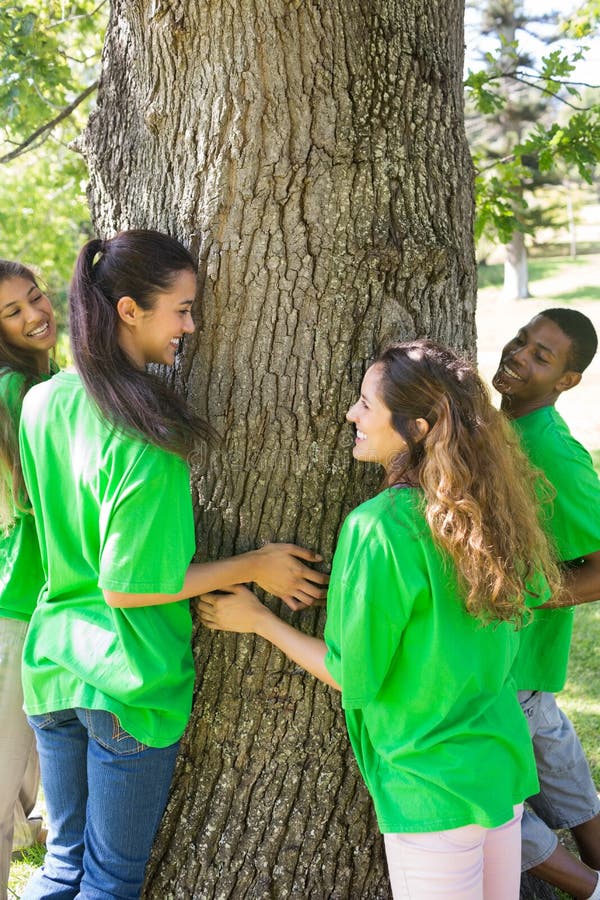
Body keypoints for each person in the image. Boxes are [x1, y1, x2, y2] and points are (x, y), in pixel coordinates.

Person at [17, 229, 328, 900]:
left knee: (63, 867)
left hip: (54, 664)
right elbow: (128, 587)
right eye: (181, 309)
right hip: (125, 679)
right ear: (129, 309)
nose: (191, 325)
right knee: (108, 881)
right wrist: (255, 566)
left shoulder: (43, 402)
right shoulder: (147, 437)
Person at [199, 339, 565, 899]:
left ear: (415, 428)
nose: (351, 413)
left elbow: (355, 675)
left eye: (367, 405)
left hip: (430, 786)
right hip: (497, 765)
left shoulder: (380, 528)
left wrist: (258, 619)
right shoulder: (493, 512)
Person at [492, 307, 600, 900]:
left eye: (542, 356)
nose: (518, 355)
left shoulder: (556, 454)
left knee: (492, 796)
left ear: (567, 381)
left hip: (511, 662)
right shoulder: (494, 427)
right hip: (506, 662)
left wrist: (522, 595)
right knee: (562, 768)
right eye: (522, 340)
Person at [0, 259, 57, 900]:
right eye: (12, 312)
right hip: (18, 604)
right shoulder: (17, 391)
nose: (34, 314)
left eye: (34, 297)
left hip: (50, 604)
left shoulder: (51, 382)